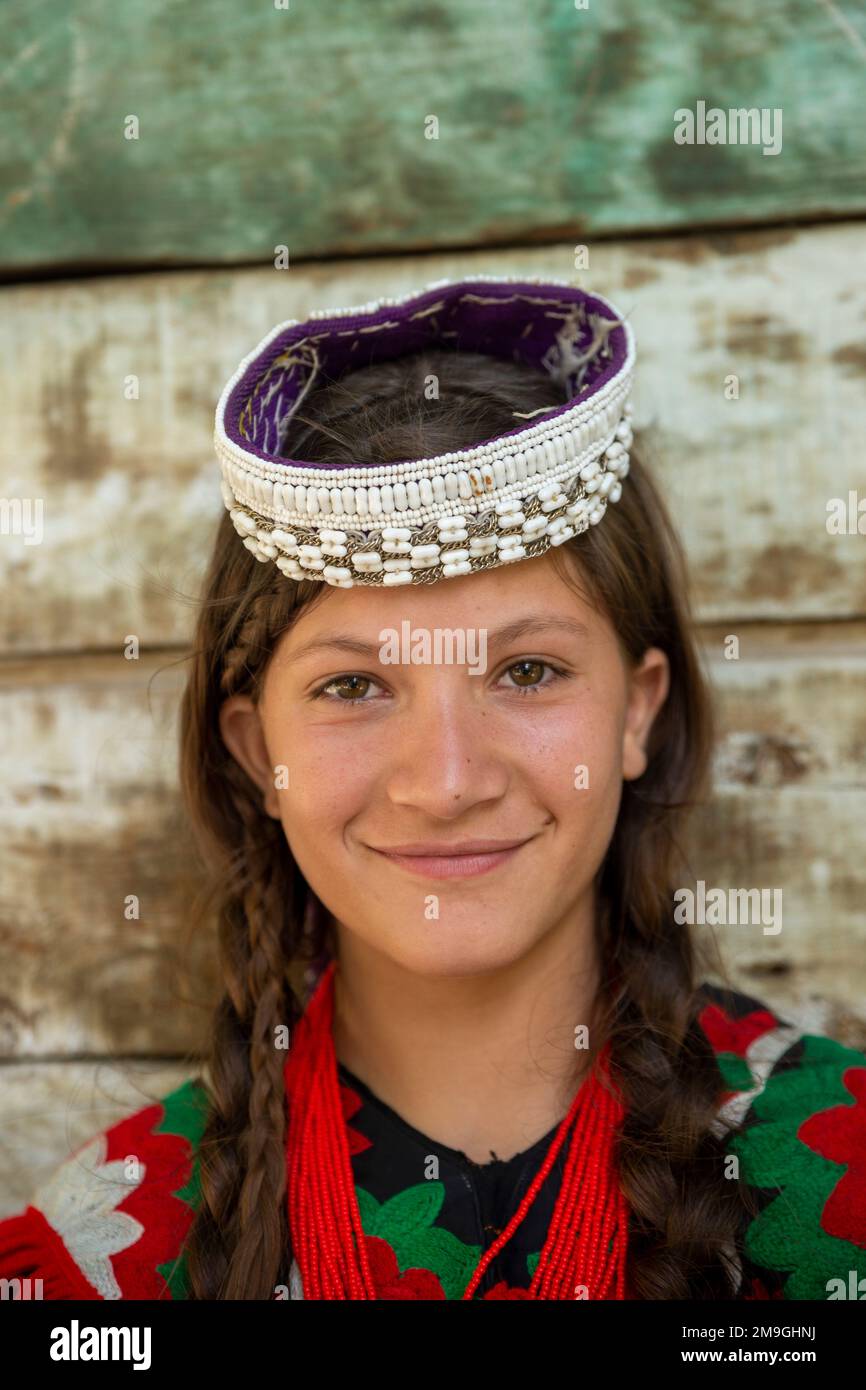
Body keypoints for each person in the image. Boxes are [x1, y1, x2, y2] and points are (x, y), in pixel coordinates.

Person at [1, 276, 864, 1302]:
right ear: (253, 752)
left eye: (526, 672)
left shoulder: (837, 1181)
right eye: (353, 685)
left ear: (634, 713)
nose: (446, 782)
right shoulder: (105, 1260)